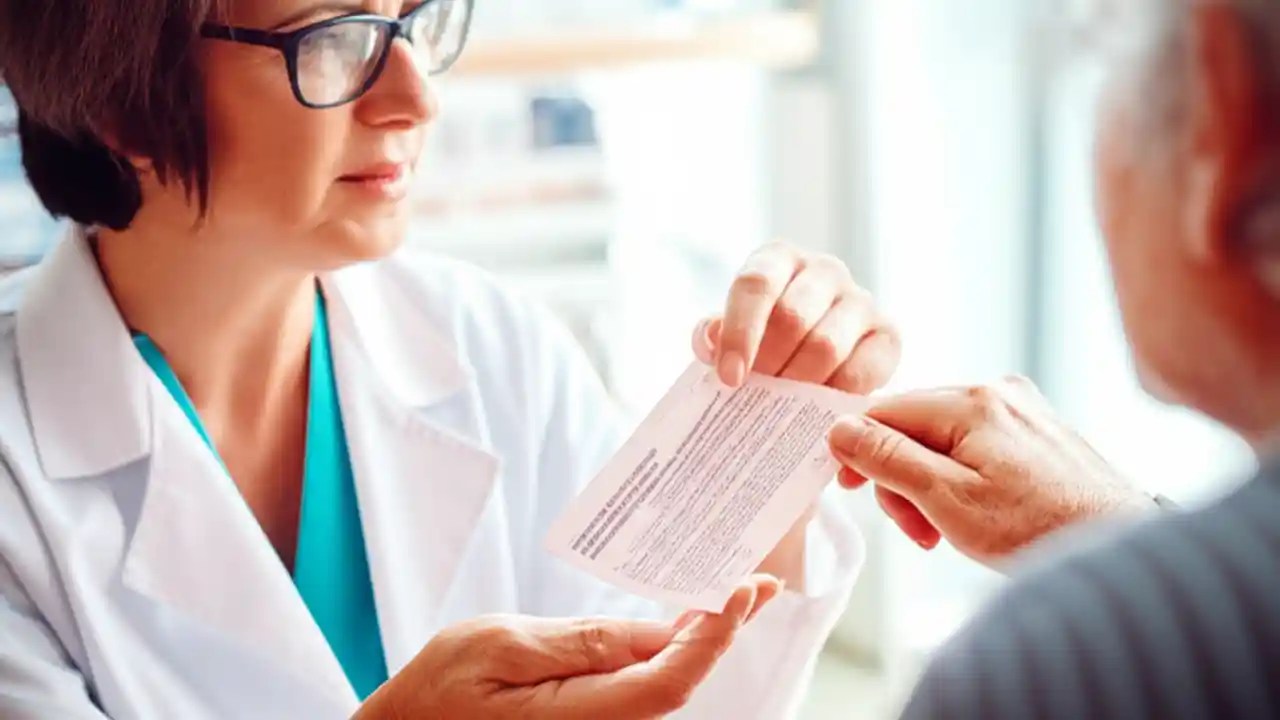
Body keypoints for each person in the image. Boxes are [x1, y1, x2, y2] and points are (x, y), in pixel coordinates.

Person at [0, 0, 903, 717]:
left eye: (412, 21)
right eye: (337, 38)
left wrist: (771, 448)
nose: (414, 96)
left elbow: (664, 688)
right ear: (122, 96)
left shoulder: (493, 347)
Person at [828, 0, 1280, 717]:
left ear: (1222, 114)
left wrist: (1118, 601)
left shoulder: (1045, 674)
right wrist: (1123, 539)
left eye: (1104, 63)